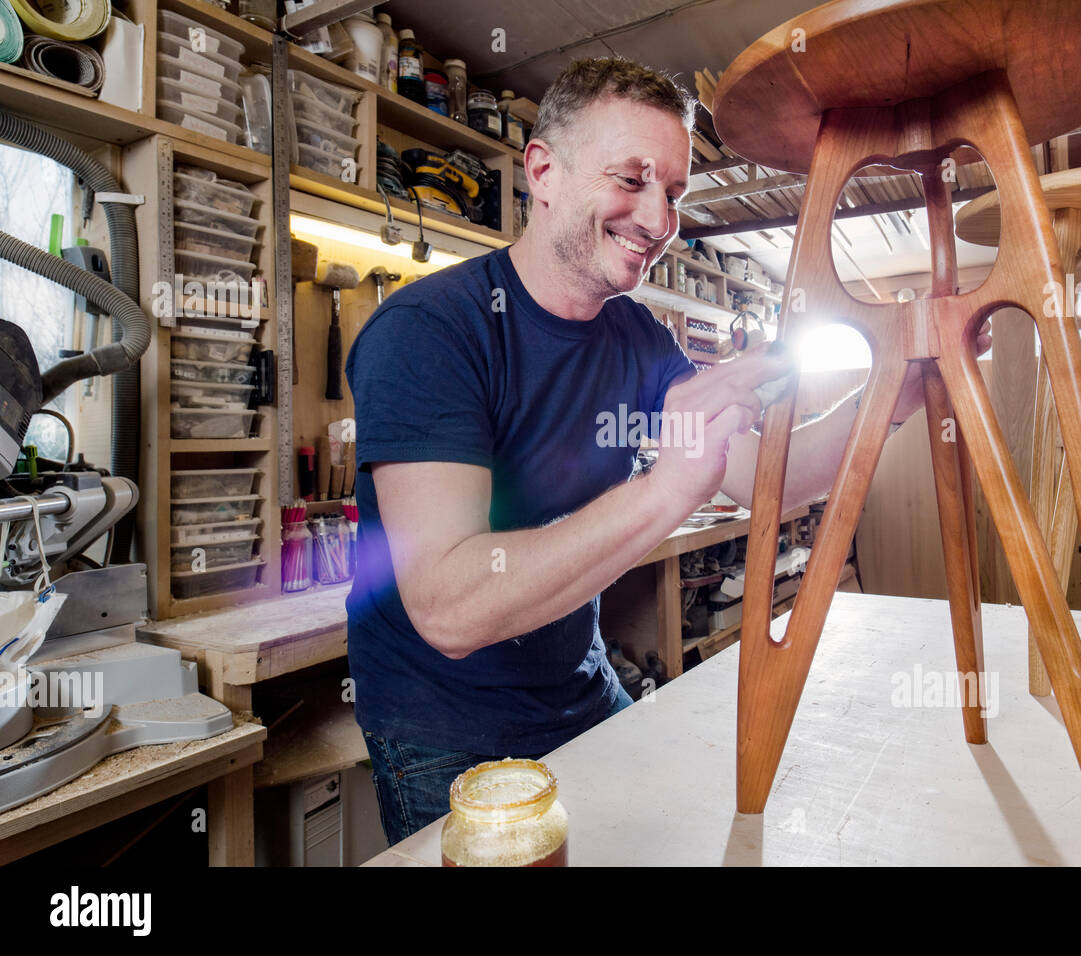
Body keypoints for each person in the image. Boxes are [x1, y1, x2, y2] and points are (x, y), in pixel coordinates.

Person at [345, 56, 953, 846]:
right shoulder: (431, 332)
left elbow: (762, 474)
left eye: (673, 192)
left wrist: (891, 396)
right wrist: (666, 491)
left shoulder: (634, 334)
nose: (659, 218)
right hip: (448, 726)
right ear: (544, 173)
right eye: (632, 180)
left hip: (581, 687)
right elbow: (449, 607)